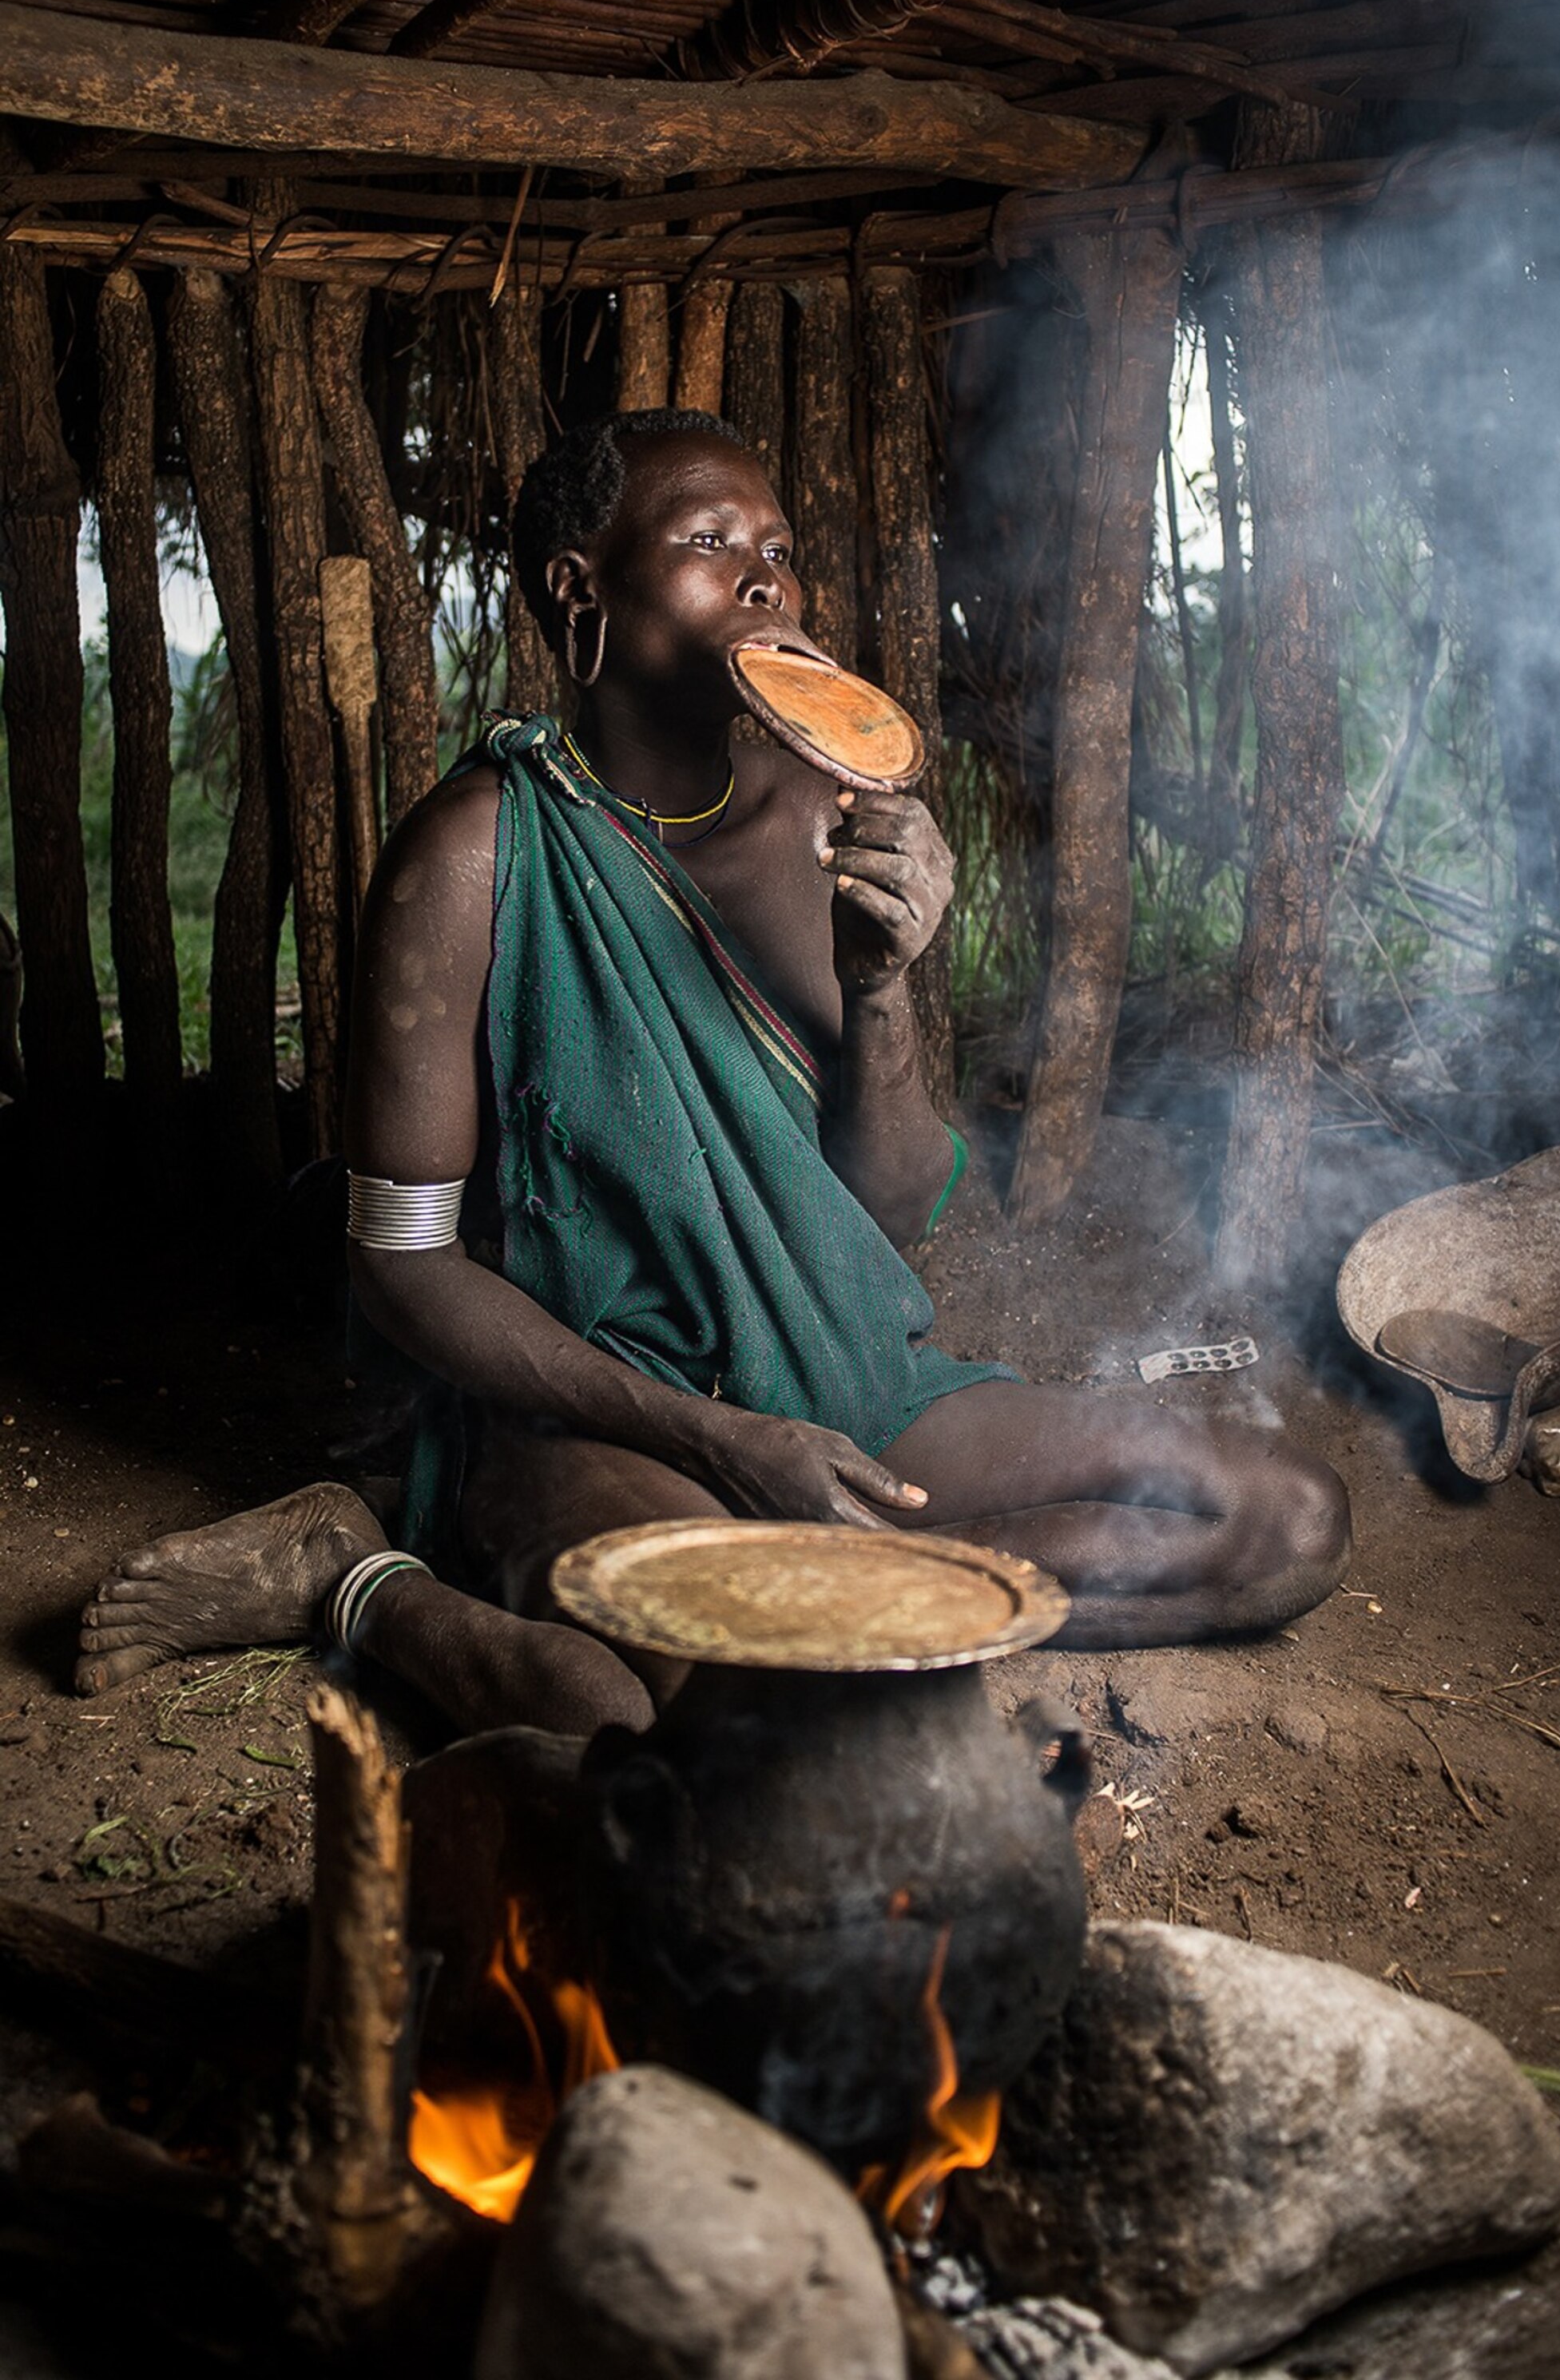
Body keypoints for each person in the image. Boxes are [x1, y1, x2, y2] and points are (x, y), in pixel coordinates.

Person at [77, 410, 1349, 1735]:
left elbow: (898, 1212)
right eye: (708, 540)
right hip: (599, 1423)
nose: (767, 577)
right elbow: (400, 1268)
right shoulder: (473, 857)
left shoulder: (828, 822)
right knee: (680, 1718)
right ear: (581, 592)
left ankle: (830, 1607)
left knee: (1290, 1523)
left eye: (779, 549)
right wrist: (713, 1437)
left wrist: (881, 981)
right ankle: (364, 1579)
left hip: (843, 1381)